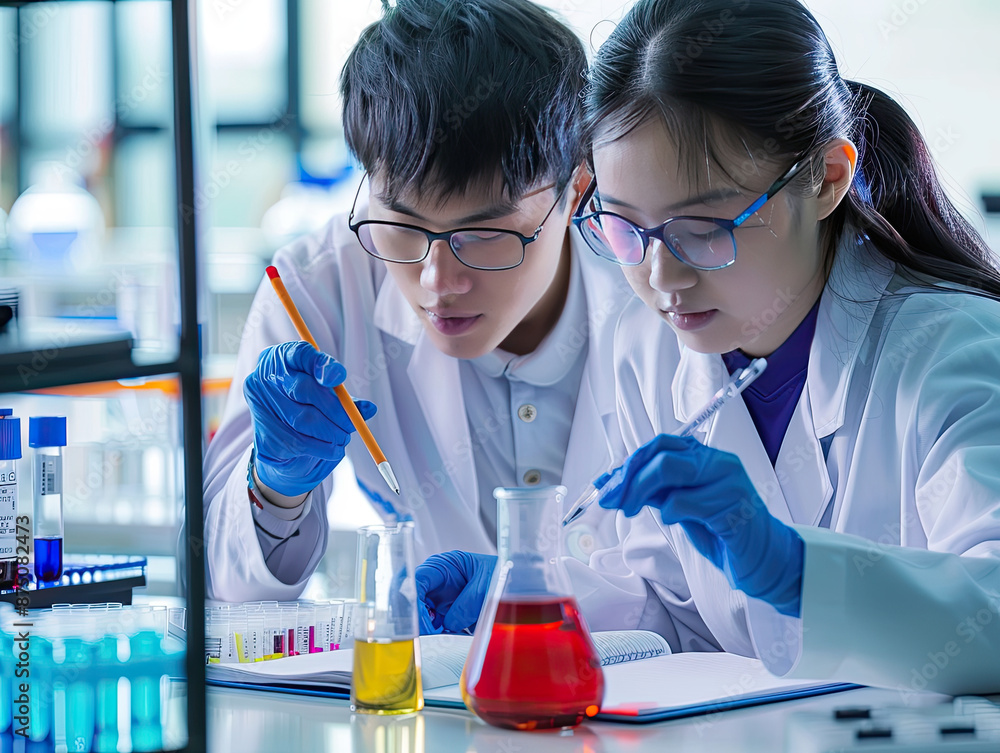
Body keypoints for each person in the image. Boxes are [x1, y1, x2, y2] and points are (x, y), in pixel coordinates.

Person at [418, 0, 1000, 694]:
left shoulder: (951, 350)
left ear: (825, 178)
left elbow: (989, 615)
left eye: (703, 225)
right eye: (624, 227)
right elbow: (679, 614)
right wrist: (529, 590)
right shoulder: (649, 351)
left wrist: (798, 570)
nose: (660, 277)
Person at [200, 0, 634, 605]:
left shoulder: (656, 280)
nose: (437, 280)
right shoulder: (319, 288)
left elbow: (704, 597)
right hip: (436, 689)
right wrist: (274, 488)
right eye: (402, 226)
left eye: (484, 234)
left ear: (578, 187)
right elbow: (225, 590)